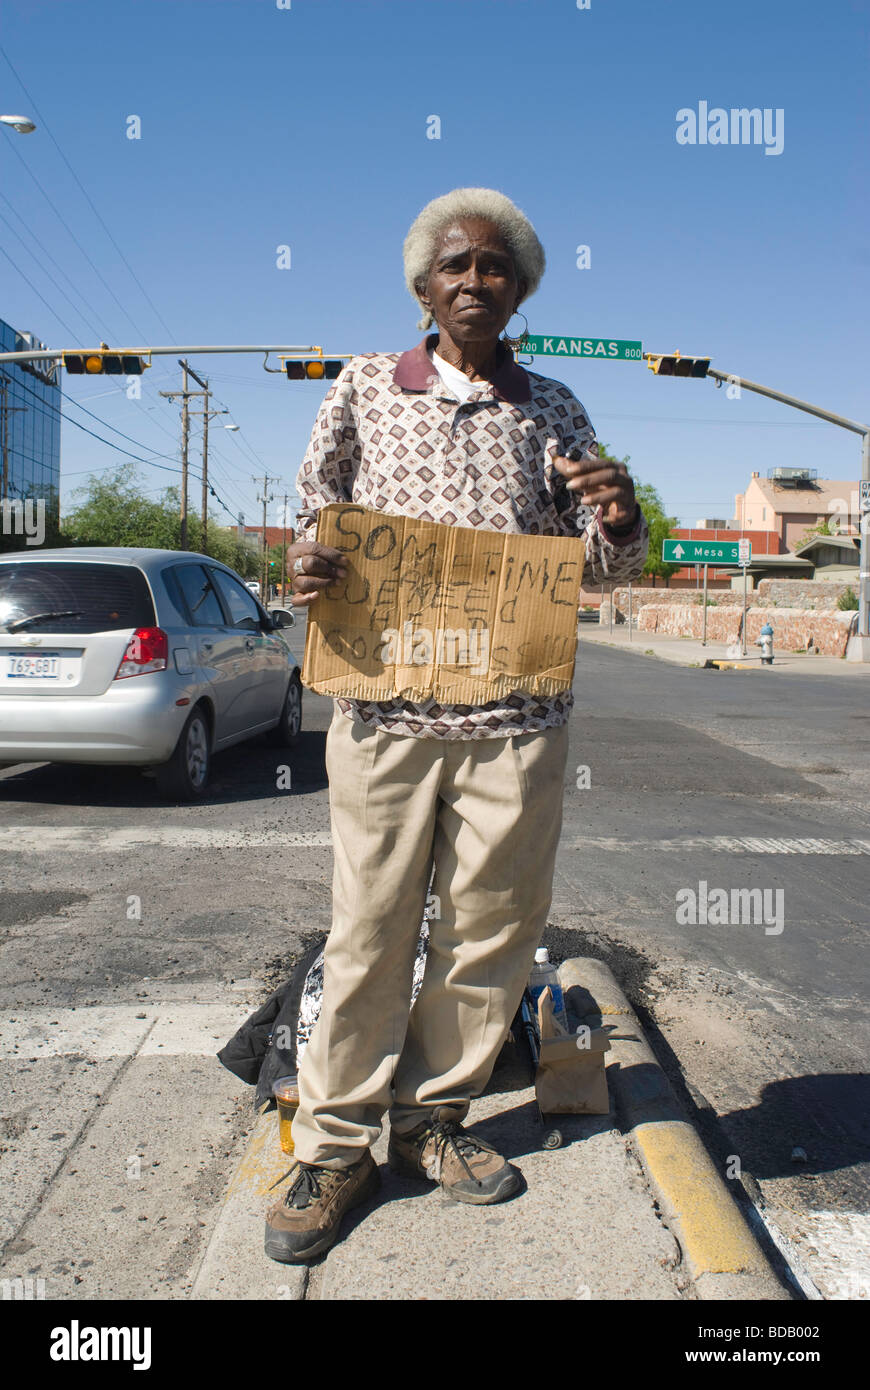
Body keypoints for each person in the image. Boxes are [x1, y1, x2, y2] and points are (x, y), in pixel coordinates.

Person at [264, 187, 649, 1264]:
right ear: (423, 287)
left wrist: (618, 515)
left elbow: (608, 561)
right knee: (370, 925)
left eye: (496, 269)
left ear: (519, 289)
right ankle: (336, 1146)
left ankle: (432, 1121)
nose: (475, 282)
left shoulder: (554, 408)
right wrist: (304, 565)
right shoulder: (361, 391)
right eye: (455, 267)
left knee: (492, 927)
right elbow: (313, 523)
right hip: (385, 706)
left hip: (516, 717)